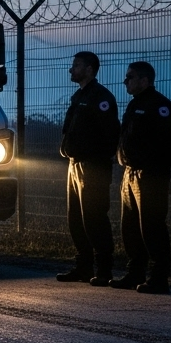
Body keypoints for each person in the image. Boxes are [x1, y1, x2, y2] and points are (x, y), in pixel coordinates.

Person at [111, 61, 171, 294]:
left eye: (130, 77)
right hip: (129, 174)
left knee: (151, 226)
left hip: (150, 176)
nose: (126, 82)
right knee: (129, 226)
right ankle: (135, 273)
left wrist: (155, 171)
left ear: (144, 80)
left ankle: (159, 278)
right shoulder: (135, 105)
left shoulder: (160, 106)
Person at [56, 51, 120, 286]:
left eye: (77, 65)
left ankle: (104, 270)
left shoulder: (101, 97)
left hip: (93, 166)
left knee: (94, 218)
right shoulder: (79, 96)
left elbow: (110, 134)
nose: (72, 69)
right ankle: (83, 267)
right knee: (76, 218)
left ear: (90, 69)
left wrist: (94, 158)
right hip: (75, 165)